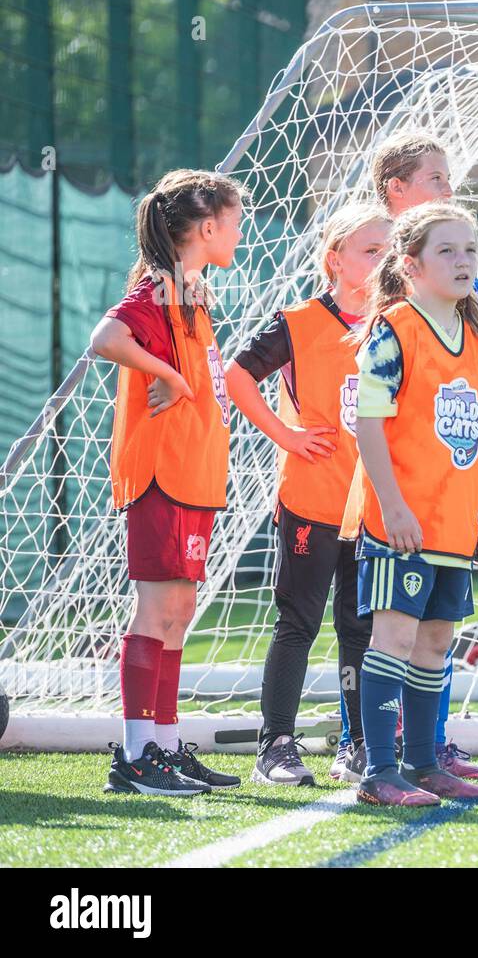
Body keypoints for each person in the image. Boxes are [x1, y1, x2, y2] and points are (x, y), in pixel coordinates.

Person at [329, 131, 478, 783]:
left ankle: (426, 763)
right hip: (401, 523)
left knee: (435, 642)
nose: (462, 260)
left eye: (470, 249)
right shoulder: (393, 330)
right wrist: (391, 505)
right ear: (413, 263)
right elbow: (368, 424)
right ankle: (379, 769)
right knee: (392, 639)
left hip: (452, 525)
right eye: (446, 250)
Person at [90, 169, 247, 796]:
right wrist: (170, 377)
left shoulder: (194, 292)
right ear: (207, 228)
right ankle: (133, 757)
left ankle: (164, 744)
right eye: (235, 221)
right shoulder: (157, 291)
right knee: (156, 611)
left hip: (194, 475)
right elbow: (106, 338)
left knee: (179, 613)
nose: (240, 233)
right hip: (161, 476)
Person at [225, 203, 391, 786]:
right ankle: (276, 745)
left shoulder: (398, 325)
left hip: (372, 502)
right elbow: (237, 375)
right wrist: (285, 434)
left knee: (361, 626)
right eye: (370, 250)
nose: (382, 260)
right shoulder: (298, 322)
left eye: (389, 251)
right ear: (335, 260)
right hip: (311, 500)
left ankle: (359, 743)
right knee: (298, 621)